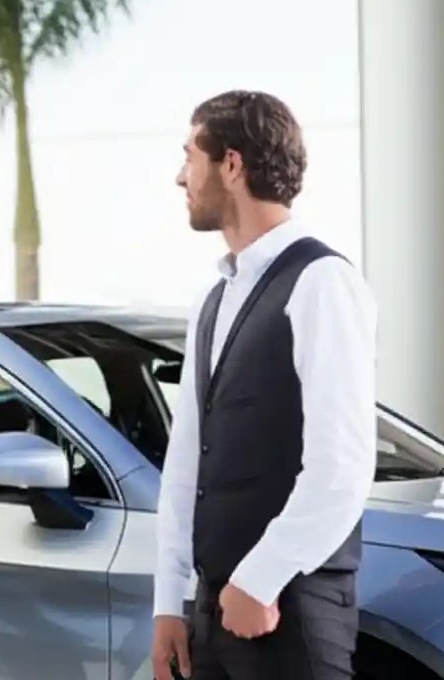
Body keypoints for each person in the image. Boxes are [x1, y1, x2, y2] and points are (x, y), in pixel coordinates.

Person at [150, 90, 377, 680]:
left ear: (231, 164)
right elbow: (186, 463)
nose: (181, 177)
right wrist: (169, 604)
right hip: (213, 609)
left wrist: (261, 578)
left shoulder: (322, 282)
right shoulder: (213, 296)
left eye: (189, 157)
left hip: (291, 608)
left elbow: (343, 466)